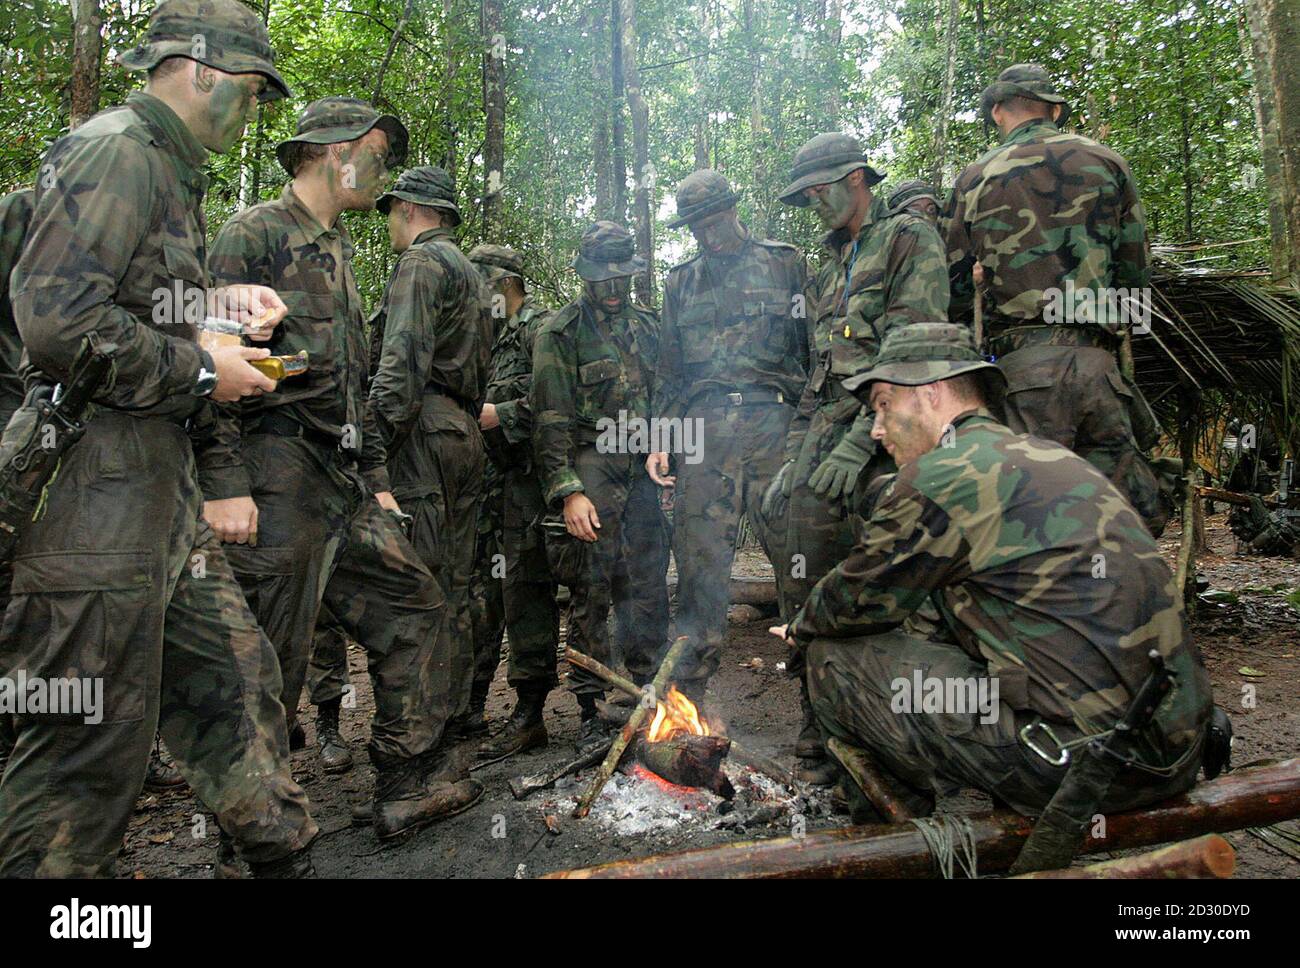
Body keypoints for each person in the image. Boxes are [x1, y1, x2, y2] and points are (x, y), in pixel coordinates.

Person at [0, 0, 320, 877]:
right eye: (251, 94)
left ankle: (275, 852)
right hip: (89, 502)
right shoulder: (118, 151)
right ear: (204, 72)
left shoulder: (170, 170)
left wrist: (217, 308)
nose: (251, 112)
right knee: (84, 742)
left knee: (234, 678)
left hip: (157, 496)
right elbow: (58, 323)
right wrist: (205, 372)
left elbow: (136, 306)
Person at [774, 322, 1212, 820]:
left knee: (833, 657)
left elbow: (853, 601)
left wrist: (800, 627)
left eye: (882, 406)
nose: (876, 430)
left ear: (931, 393)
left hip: (1081, 768)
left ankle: (893, 846)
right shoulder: (1050, 458)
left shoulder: (946, 475)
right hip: (1174, 753)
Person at [206, 100, 481, 842]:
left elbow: (346, 374)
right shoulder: (254, 233)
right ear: (342, 152)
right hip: (276, 469)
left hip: (344, 477)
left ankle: (407, 779)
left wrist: (375, 469)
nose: (383, 172)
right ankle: (251, 844)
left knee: (415, 608)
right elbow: (211, 360)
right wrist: (224, 481)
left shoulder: (341, 252)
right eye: (380, 155)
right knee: (269, 660)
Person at [752, 132, 949, 782]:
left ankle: (898, 749)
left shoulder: (908, 240)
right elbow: (817, 377)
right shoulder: (832, 267)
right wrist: (795, 455)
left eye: (820, 191)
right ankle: (823, 731)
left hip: (889, 444)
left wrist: (865, 437)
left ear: (858, 178)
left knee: (890, 588)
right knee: (805, 577)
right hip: (826, 441)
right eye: (806, 198)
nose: (814, 205)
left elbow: (915, 355)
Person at [944, 63, 1170, 535]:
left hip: (1024, 368)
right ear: (1053, 109)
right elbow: (1134, 270)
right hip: (1098, 365)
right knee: (1116, 520)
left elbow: (958, 287)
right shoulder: (1108, 163)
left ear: (998, 111)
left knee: (1034, 520)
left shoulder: (976, 177)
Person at [646, 170, 808, 702]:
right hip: (705, 431)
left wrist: (811, 430)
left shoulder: (785, 263)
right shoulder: (679, 282)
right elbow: (669, 373)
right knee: (699, 568)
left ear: (734, 210)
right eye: (695, 227)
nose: (706, 236)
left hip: (773, 425)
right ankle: (684, 711)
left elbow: (812, 356)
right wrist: (660, 439)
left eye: (712, 222)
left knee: (797, 560)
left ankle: (821, 712)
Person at [530, 222, 669, 753]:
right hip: (593, 461)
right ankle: (590, 706)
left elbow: (665, 396)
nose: (612, 290)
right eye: (602, 281)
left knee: (648, 580)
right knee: (591, 585)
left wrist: (666, 450)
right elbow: (549, 419)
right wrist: (569, 491)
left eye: (621, 280)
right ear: (585, 277)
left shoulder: (650, 326)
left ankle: (645, 690)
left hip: (643, 463)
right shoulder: (559, 333)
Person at [369, 166, 493, 738]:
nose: (390, 224)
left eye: (392, 212)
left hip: (423, 430)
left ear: (414, 210)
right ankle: (459, 715)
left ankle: (421, 731)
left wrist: (369, 448)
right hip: (465, 432)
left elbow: (401, 365)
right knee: (458, 583)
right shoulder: (471, 272)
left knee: (419, 586)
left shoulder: (420, 264)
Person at [468, 245, 562, 761]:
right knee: (479, 595)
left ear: (504, 284)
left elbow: (553, 400)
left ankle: (529, 714)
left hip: (528, 484)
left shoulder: (540, 329)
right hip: (487, 483)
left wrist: (498, 413)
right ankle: (471, 708)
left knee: (525, 591)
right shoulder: (482, 335)